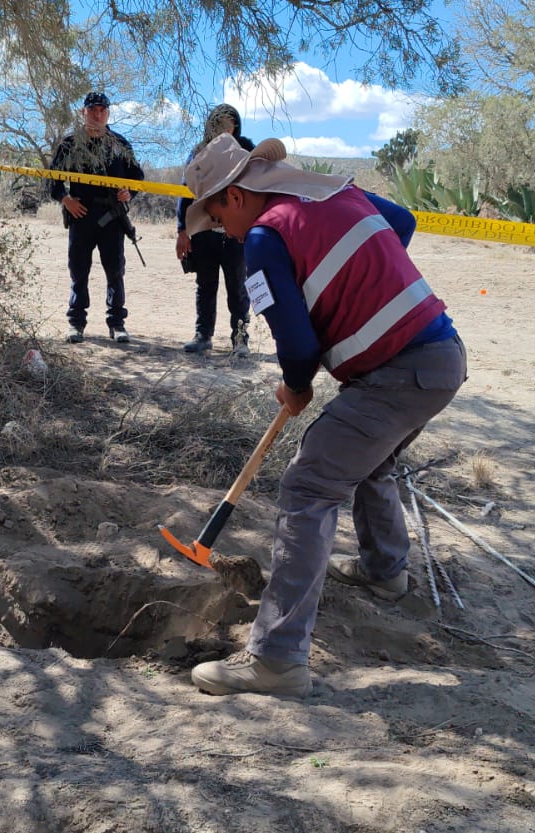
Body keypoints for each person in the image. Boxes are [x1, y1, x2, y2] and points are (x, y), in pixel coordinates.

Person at [180, 135, 465, 697]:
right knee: (368, 459)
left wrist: (295, 386)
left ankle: (277, 660)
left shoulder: (264, 237)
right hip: (441, 358)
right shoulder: (333, 193)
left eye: (217, 218)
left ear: (235, 195)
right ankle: (385, 572)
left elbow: (298, 345)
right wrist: (360, 284)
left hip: (399, 373)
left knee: (309, 485)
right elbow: (401, 222)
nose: (224, 233)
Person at [49, 91, 144, 344]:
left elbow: (137, 177)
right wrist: (66, 200)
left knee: (115, 271)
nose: (97, 114)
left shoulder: (120, 144)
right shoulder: (70, 144)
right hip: (80, 215)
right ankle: (76, 323)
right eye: (92, 110)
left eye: (102, 110)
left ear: (108, 114)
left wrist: (129, 192)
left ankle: (117, 324)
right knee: (78, 270)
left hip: (112, 218)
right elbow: (53, 181)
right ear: (84, 112)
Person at [175, 105, 255, 357]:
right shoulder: (198, 152)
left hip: (236, 234)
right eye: (219, 123)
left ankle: (240, 339)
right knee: (205, 286)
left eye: (229, 123)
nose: (224, 128)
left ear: (236, 126)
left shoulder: (247, 150)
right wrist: (182, 231)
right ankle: (203, 335)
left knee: (237, 288)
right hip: (204, 231)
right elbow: (185, 192)